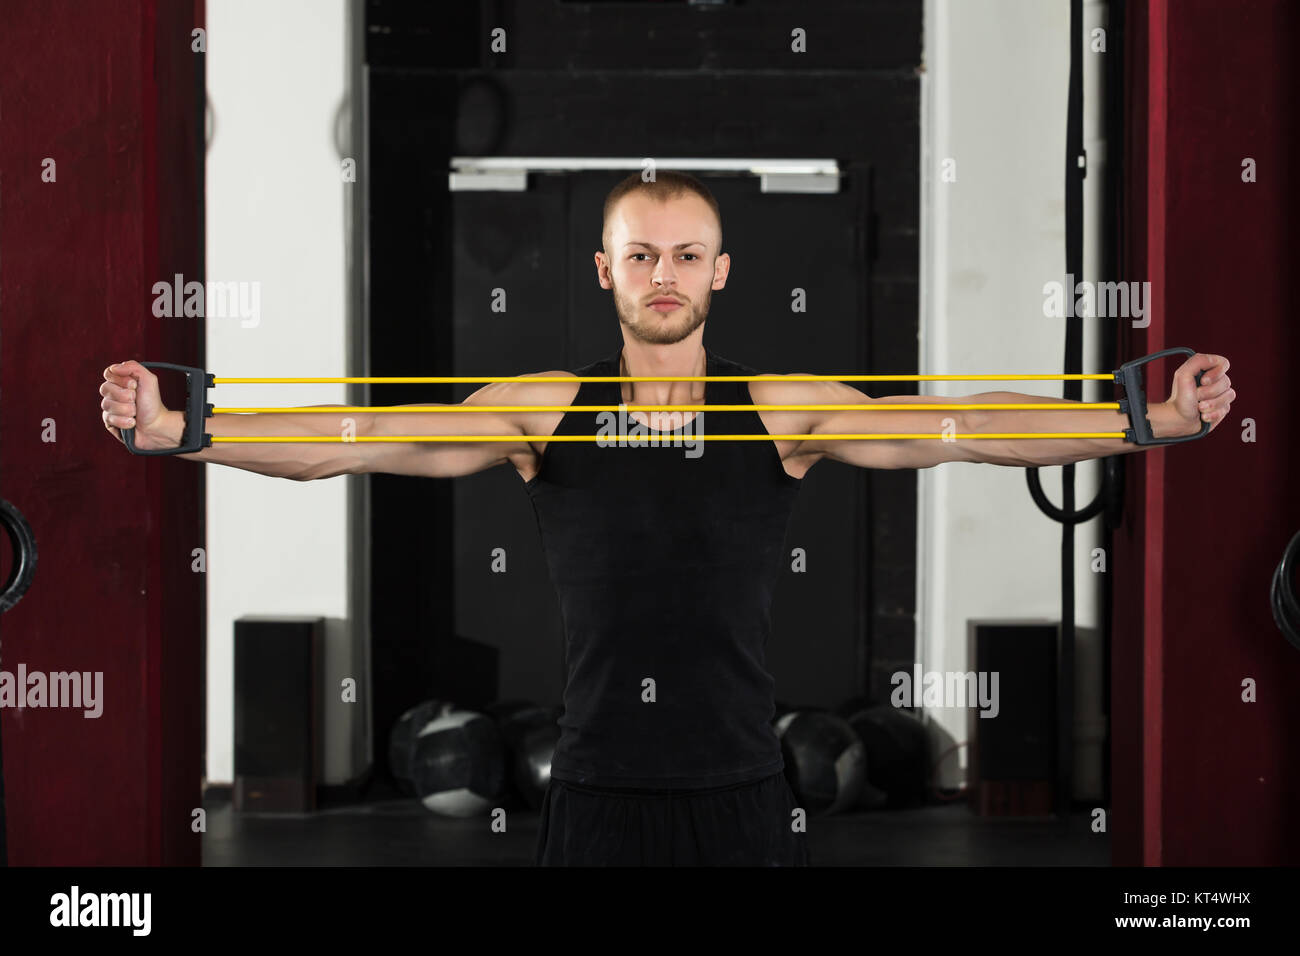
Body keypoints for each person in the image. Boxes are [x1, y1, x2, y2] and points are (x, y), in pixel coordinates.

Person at [99, 170, 1235, 866]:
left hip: (743, 790)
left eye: (686, 253)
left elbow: (967, 424)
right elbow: (351, 440)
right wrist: (190, 427)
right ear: (604, 269)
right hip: (591, 791)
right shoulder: (546, 409)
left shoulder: (779, 411)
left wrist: (1137, 419)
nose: (664, 272)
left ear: (720, 270)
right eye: (641, 253)